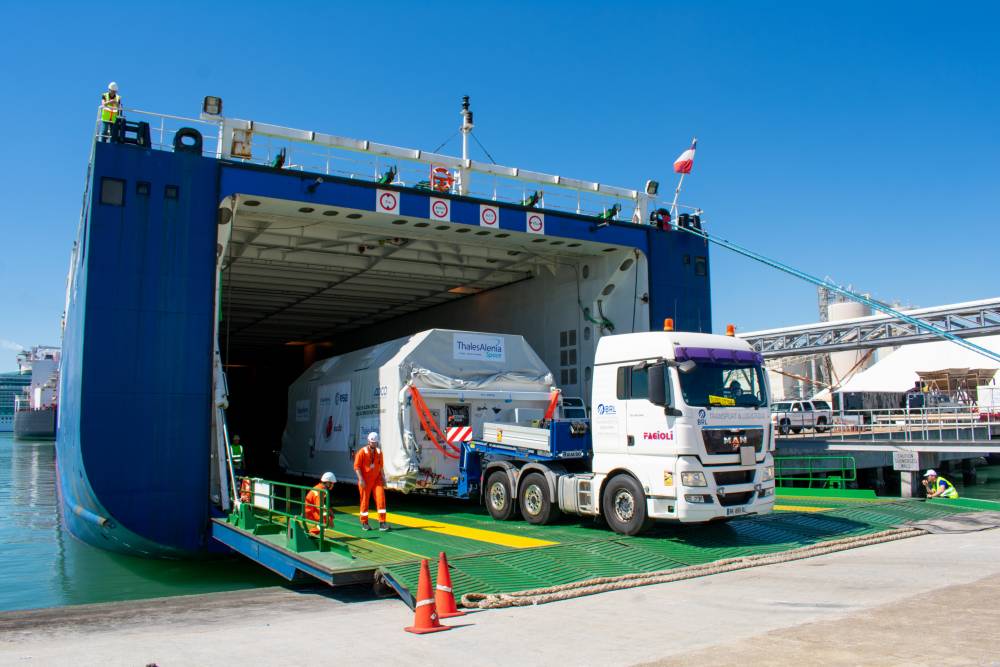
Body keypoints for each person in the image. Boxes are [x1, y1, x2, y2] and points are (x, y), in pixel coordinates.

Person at [354, 432, 389, 531]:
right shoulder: (362, 452)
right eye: (372, 442)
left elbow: (381, 466)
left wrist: (383, 478)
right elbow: (357, 467)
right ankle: (364, 523)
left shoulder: (379, 452)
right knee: (364, 501)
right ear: (368, 441)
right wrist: (361, 479)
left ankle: (382, 523)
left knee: (381, 499)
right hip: (365, 480)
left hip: (377, 480)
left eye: (375, 442)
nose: (374, 444)